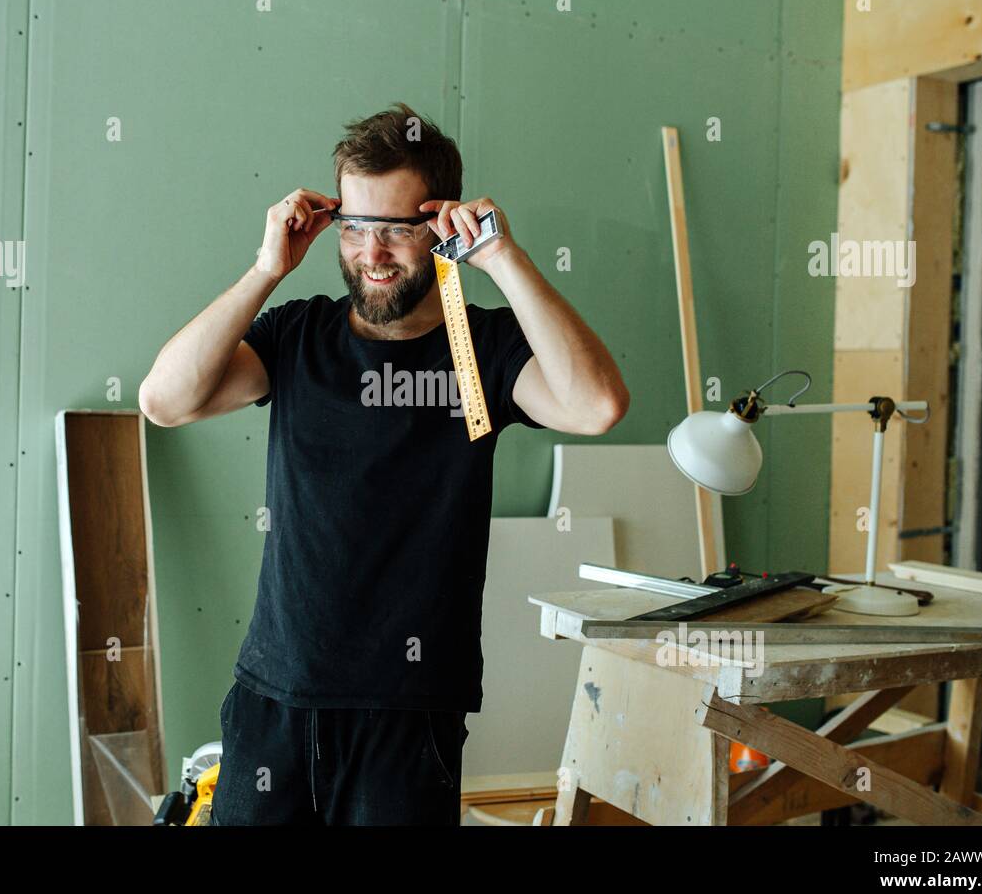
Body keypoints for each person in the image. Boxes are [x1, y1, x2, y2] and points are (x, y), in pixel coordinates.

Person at [139, 102, 629, 825]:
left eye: (397, 228)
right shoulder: (300, 335)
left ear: (440, 222)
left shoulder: (476, 349)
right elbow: (164, 401)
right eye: (356, 226)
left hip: (407, 717)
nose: (373, 252)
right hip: (274, 699)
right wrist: (265, 270)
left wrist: (501, 257)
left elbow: (597, 407)